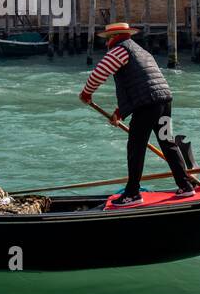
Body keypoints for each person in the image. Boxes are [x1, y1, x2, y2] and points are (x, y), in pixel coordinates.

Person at [80, 21, 194, 207]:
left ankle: (132, 193)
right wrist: (120, 112)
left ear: (112, 37)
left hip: (147, 104)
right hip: (164, 101)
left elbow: (99, 73)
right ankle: (185, 185)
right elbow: (141, 82)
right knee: (168, 143)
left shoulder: (119, 50)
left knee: (135, 147)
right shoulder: (141, 51)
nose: (107, 41)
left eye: (108, 38)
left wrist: (87, 93)